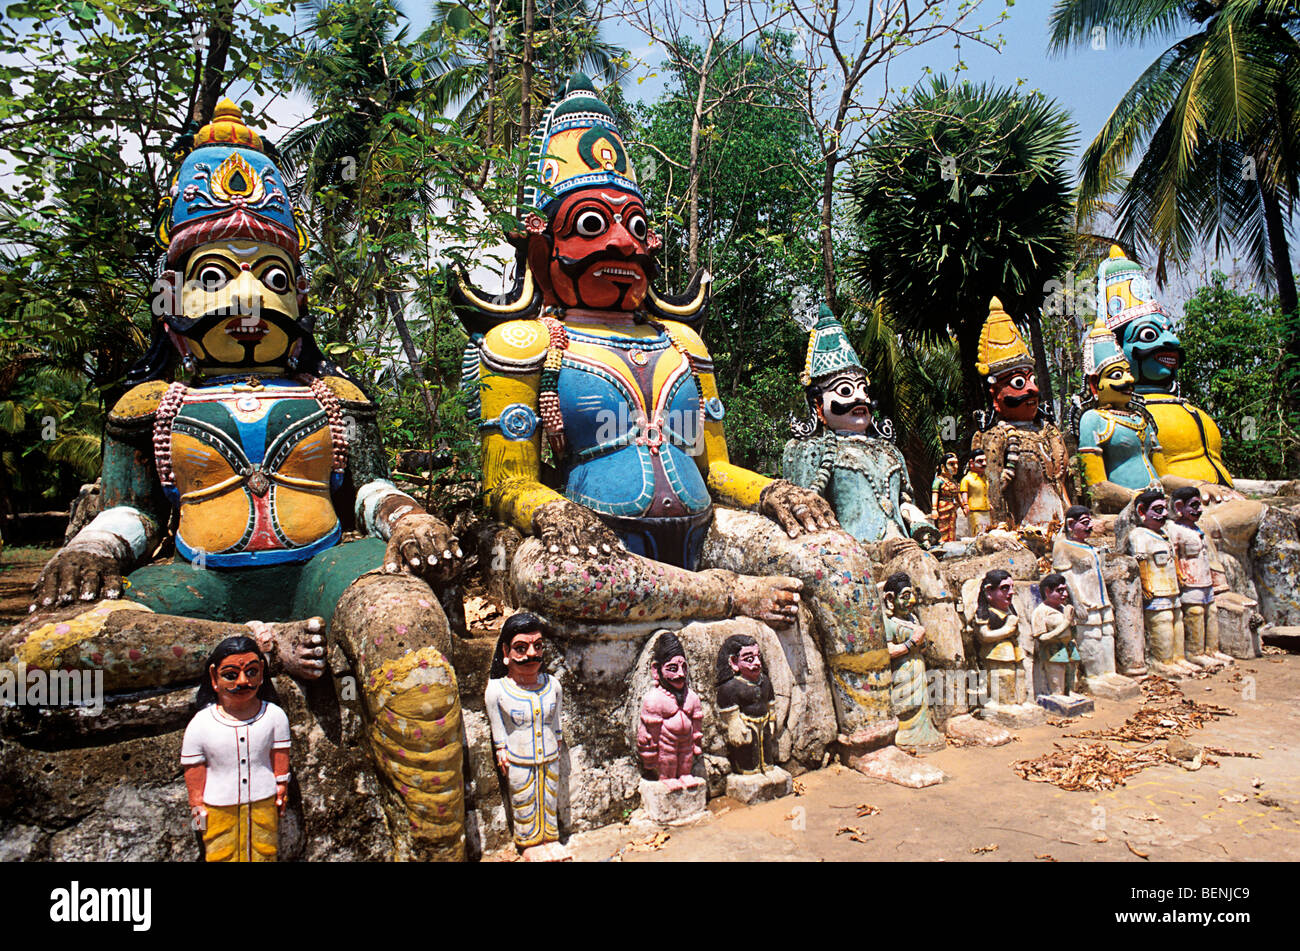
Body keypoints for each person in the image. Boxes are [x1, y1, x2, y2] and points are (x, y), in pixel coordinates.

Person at [181, 635, 291, 862]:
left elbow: (280, 754)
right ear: (214, 677)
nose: (243, 681)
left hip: (264, 799)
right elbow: (194, 768)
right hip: (218, 804)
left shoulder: (274, 716)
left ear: (262, 671)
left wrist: (281, 785)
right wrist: (196, 805)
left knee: (265, 849)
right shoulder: (201, 723)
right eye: (231, 675)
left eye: (251, 672)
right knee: (219, 851)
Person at [484, 612, 565, 857]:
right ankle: (530, 843)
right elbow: (498, 726)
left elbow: (556, 720)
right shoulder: (498, 690)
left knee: (549, 797)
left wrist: (558, 739)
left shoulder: (553, 685)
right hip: (519, 758)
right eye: (521, 648)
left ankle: (550, 839)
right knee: (524, 799)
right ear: (506, 652)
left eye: (537, 646)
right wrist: (501, 748)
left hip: (550, 755)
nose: (531, 654)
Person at [1124, 489, 1198, 676]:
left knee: (1178, 623)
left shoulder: (1164, 533)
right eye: (1158, 510)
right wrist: (1145, 584)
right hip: (1156, 591)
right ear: (1142, 511)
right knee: (1162, 622)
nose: (1164, 514)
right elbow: (1140, 560)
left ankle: (1178, 658)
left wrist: (1179, 574)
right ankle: (1163, 662)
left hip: (1172, 588)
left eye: (1165, 509)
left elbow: (1173, 556)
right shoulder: (1139, 535)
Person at [1167, 486, 1234, 667]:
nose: (1199, 510)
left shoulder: (1197, 529)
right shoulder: (1174, 529)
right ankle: (1195, 652)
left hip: (1205, 580)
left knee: (1211, 613)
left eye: (1199, 506)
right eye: (1194, 505)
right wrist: (1179, 576)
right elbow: (1173, 556)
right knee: (1195, 614)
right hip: (1190, 582)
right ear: (1179, 507)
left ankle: (1212, 649)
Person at [636, 631, 704, 789]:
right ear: (656, 670)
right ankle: (667, 777)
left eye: (683, 667)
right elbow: (650, 731)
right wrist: (649, 752)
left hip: (686, 743)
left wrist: (696, 742)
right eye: (672, 668)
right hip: (665, 744)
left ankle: (685, 774)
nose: (680, 674)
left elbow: (697, 723)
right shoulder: (654, 699)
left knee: (686, 759)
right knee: (668, 759)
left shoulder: (692, 697)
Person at [714, 634, 777, 774]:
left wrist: (772, 720)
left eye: (758, 657)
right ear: (733, 662)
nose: (757, 663)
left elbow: (770, 703)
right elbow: (730, 715)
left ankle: (766, 767)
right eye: (749, 659)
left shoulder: (765, 681)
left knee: (766, 749)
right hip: (746, 726)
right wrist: (735, 724)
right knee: (747, 754)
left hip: (764, 723)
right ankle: (749, 770)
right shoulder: (730, 687)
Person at [1031, 574, 1081, 698]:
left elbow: (1073, 631)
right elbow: (1041, 637)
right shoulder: (1040, 611)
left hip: (1069, 649)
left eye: (1065, 590)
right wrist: (1066, 623)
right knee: (1057, 684)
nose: (1065, 594)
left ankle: (1070, 694)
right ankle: (1058, 696)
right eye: (1060, 591)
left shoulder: (1063, 608)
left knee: (1071, 681)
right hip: (1053, 652)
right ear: (1047, 591)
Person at [959, 451, 992, 534]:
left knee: (986, 532)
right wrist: (965, 504)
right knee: (977, 532)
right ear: (971, 463)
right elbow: (964, 493)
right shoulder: (967, 479)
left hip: (986, 510)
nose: (984, 464)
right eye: (980, 461)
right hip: (974, 511)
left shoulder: (984, 478)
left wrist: (989, 504)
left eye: (985, 460)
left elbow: (985, 493)